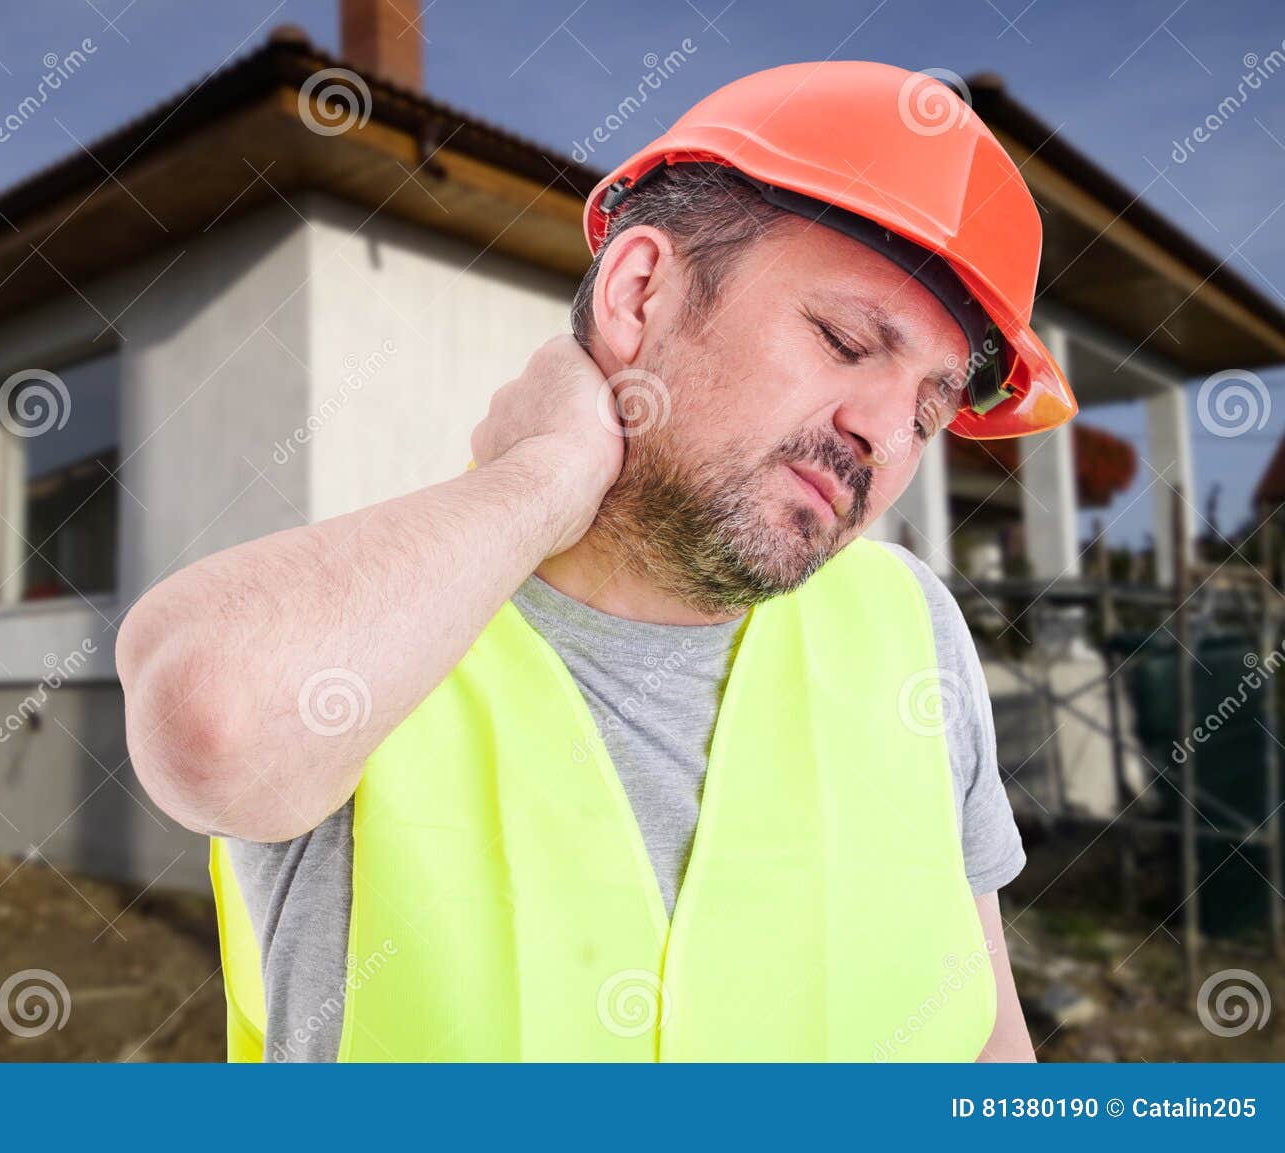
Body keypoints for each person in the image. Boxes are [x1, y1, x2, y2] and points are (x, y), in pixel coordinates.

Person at [117, 60, 1077, 1062]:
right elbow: (210, 726)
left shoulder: (907, 624)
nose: (882, 433)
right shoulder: (379, 624)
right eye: (843, 340)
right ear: (640, 291)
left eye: (929, 409)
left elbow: (989, 1040)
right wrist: (547, 472)